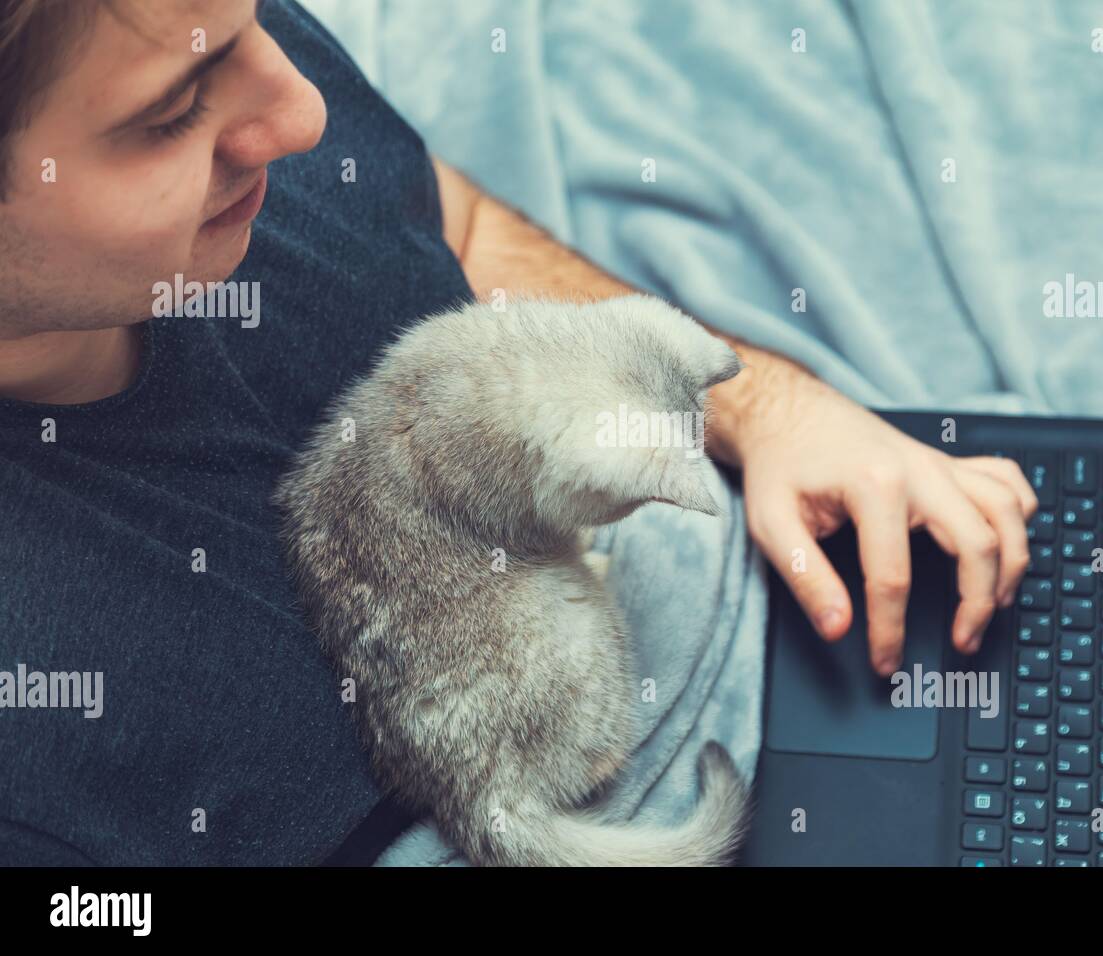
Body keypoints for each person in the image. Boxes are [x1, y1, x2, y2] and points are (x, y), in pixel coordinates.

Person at [0, 0, 1035, 865]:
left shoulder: (176, 27)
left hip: (811, 602)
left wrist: (768, 409)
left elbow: (452, 226)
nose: (301, 110)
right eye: (176, 112)